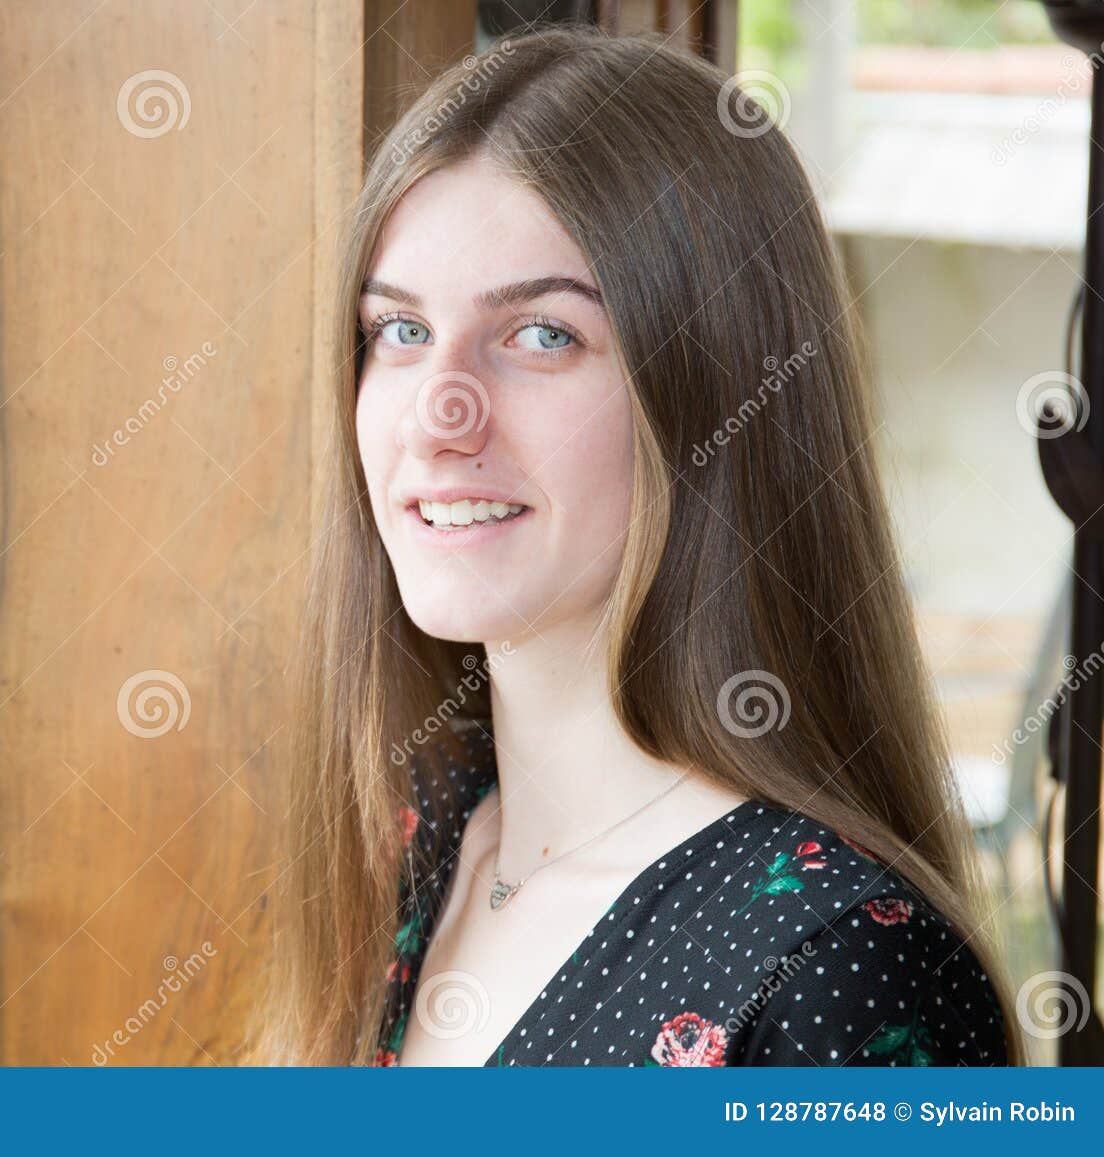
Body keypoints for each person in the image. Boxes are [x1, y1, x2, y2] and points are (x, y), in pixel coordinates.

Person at [251, 24, 1023, 1067]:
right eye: (398, 331)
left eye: (542, 335)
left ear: (717, 389)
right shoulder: (409, 843)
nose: (438, 412)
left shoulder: (843, 969)